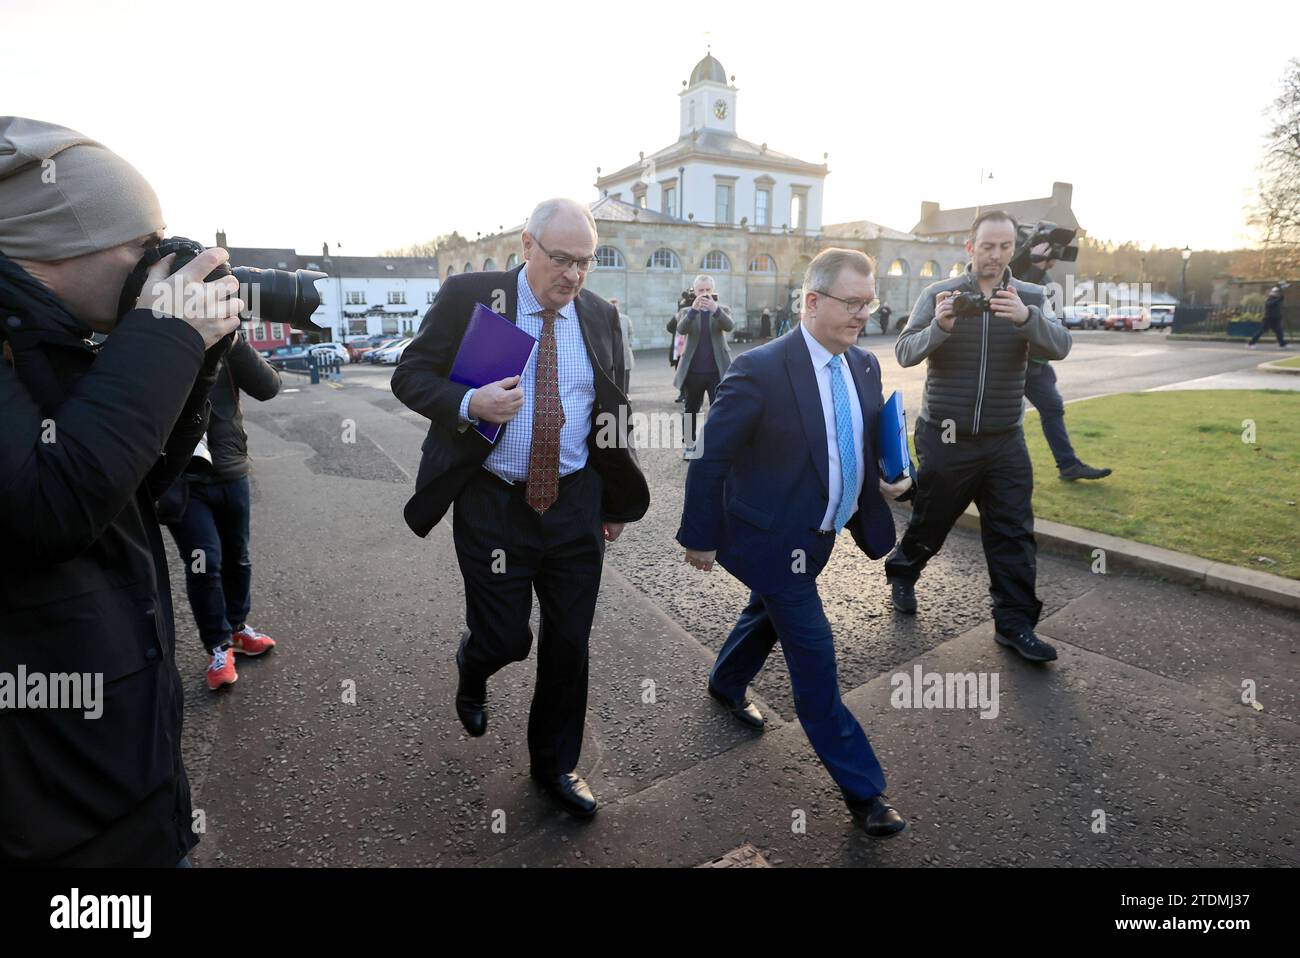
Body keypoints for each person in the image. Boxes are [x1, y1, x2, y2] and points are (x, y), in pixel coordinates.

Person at [0, 117, 243, 866]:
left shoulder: (65, 340)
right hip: (50, 824)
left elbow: (137, 489)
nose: (162, 264)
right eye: (143, 245)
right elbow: (48, 509)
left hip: (127, 776)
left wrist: (193, 360)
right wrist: (166, 335)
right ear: (53, 250)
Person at [392, 198, 649, 818]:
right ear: (527, 245)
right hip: (494, 502)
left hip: (575, 503)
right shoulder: (473, 297)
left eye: (585, 262)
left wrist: (612, 497)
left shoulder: (599, 314)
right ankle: (474, 662)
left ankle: (555, 764)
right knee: (507, 637)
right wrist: (468, 402)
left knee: (569, 643)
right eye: (561, 259)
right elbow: (409, 374)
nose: (573, 274)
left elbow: (612, 408)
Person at [678, 249, 914, 837]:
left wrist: (892, 475)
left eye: (870, 302)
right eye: (853, 303)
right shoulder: (760, 369)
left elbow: (855, 441)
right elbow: (711, 459)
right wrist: (700, 536)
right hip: (767, 536)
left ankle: (725, 682)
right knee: (813, 658)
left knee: (767, 609)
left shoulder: (863, 365)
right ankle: (864, 792)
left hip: (822, 534)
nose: (864, 313)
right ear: (812, 302)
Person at [885, 211, 1072, 662]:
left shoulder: (1031, 294)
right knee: (932, 518)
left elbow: (1060, 346)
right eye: (987, 245)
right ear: (970, 248)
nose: (996, 254)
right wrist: (940, 328)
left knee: (1012, 531)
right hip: (946, 435)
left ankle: (1015, 624)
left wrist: (1027, 319)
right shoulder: (938, 293)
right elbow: (904, 352)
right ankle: (903, 570)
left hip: (1005, 437)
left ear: (1014, 249)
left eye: (1005, 246)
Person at [159, 332, 282, 691]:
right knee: (205, 562)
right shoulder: (153, 337)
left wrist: (231, 337)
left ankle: (239, 629)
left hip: (229, 469)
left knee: (237, 557)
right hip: (181, 477)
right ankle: (218, 646)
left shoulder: (225, 342)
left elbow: (268, 386)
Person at [1015, 241, 1111, 482]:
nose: (1054, 257)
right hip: (1011, 363)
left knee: (1053, 407)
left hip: (1037, 363)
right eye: (1049, 252)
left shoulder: (1046, 280)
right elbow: (1021, 290)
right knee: (1004, 420)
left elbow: (1054, 318)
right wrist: (1035, 262)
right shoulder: (1018, 270)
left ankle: (1068, 465)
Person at [673, 274, 734, 459]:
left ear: (713, 290)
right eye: (701, 290)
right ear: (695, 291)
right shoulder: (686, 311)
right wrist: (693, 310)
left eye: (708, 290)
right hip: (693, 371)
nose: (705, 294)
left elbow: (729, 326)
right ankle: (689, 446)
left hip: (717, 370)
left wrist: (716, 310)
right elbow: (681, 330)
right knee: (690, 409)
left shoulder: (723, 309)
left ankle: (716, 444)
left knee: (719, 410)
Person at [609, 296, 634, 393]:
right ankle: (616, 397)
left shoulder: (625, 319)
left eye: (616, 306)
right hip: (611, 353)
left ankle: (625, 395)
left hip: (625, 351)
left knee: (625, 374)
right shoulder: (606, 319)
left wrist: (629, 344)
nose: (615, 308)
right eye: (612, 306)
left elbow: (631, 332)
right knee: (613, 375)